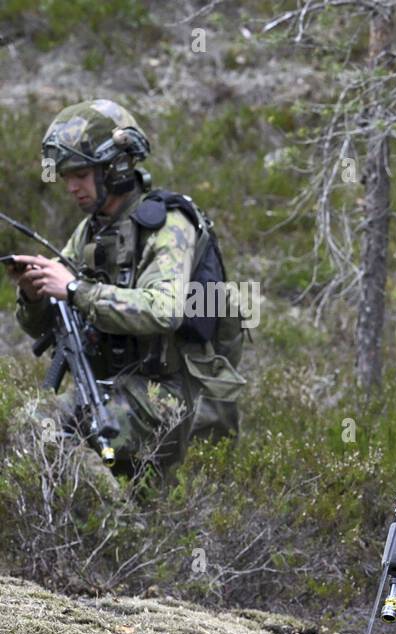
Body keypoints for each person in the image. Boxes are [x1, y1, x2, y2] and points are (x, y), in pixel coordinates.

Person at [7, 99, 244, 477]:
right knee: (31, 425)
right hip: (118, 388)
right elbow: (44, 328)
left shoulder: (167, 225)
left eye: (81, 174)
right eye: (66, 176)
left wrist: (74, 290)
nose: (71, 187)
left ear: (115, 168)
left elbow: (164, 310)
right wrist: (35, 295)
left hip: (171, 396)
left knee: (49, 431)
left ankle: (115, 530)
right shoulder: (92, 231)